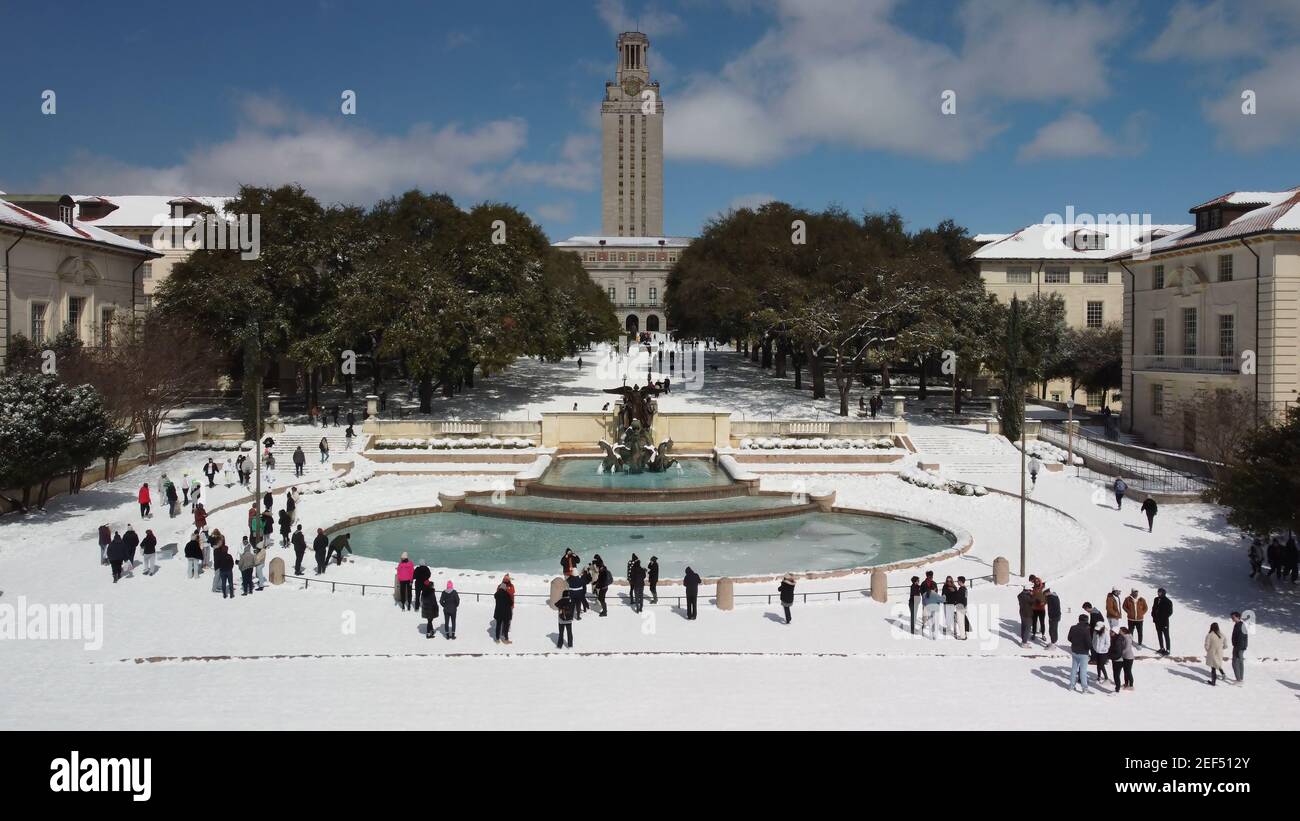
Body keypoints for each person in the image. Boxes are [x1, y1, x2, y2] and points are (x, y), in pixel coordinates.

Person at [1067, 615, 1092, 693]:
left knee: (1074, 669)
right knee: (1083, 671)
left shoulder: (1073, 627)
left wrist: (1075, 643)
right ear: (1086, 621)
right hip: (1083, 652)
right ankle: (1084, 688)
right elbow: (1089, 643)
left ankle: (1071, 686)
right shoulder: (1086, 630)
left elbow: (1069, 638)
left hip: (1074, 650)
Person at [1150, 588, 1173, 655]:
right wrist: (1153, 615)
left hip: (1164, 622)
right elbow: (1154, 608)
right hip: (1157, 621)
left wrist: (1163, 617)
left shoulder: (1168, 601)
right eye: (1158, 592)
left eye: (1160, 592)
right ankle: (1162, 648)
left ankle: (1168, 650)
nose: (1158, 593)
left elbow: (1170, 612)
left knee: (1166, 635)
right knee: (1159, 635)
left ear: (1163, 593)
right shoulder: (1156, 599)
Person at [1230, 611, 1247, 684]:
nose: (1232, 619)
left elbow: (1242, 637)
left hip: (1239, 647)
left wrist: (1238, 648)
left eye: (1233, 617)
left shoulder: (1240, 625)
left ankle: (1239, 679)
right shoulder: (1238, 625)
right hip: (1238, 646)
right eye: (1232, 618)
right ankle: (1240, 678)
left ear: (1238, 617)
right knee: (1239, 662)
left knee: (1236, 662)